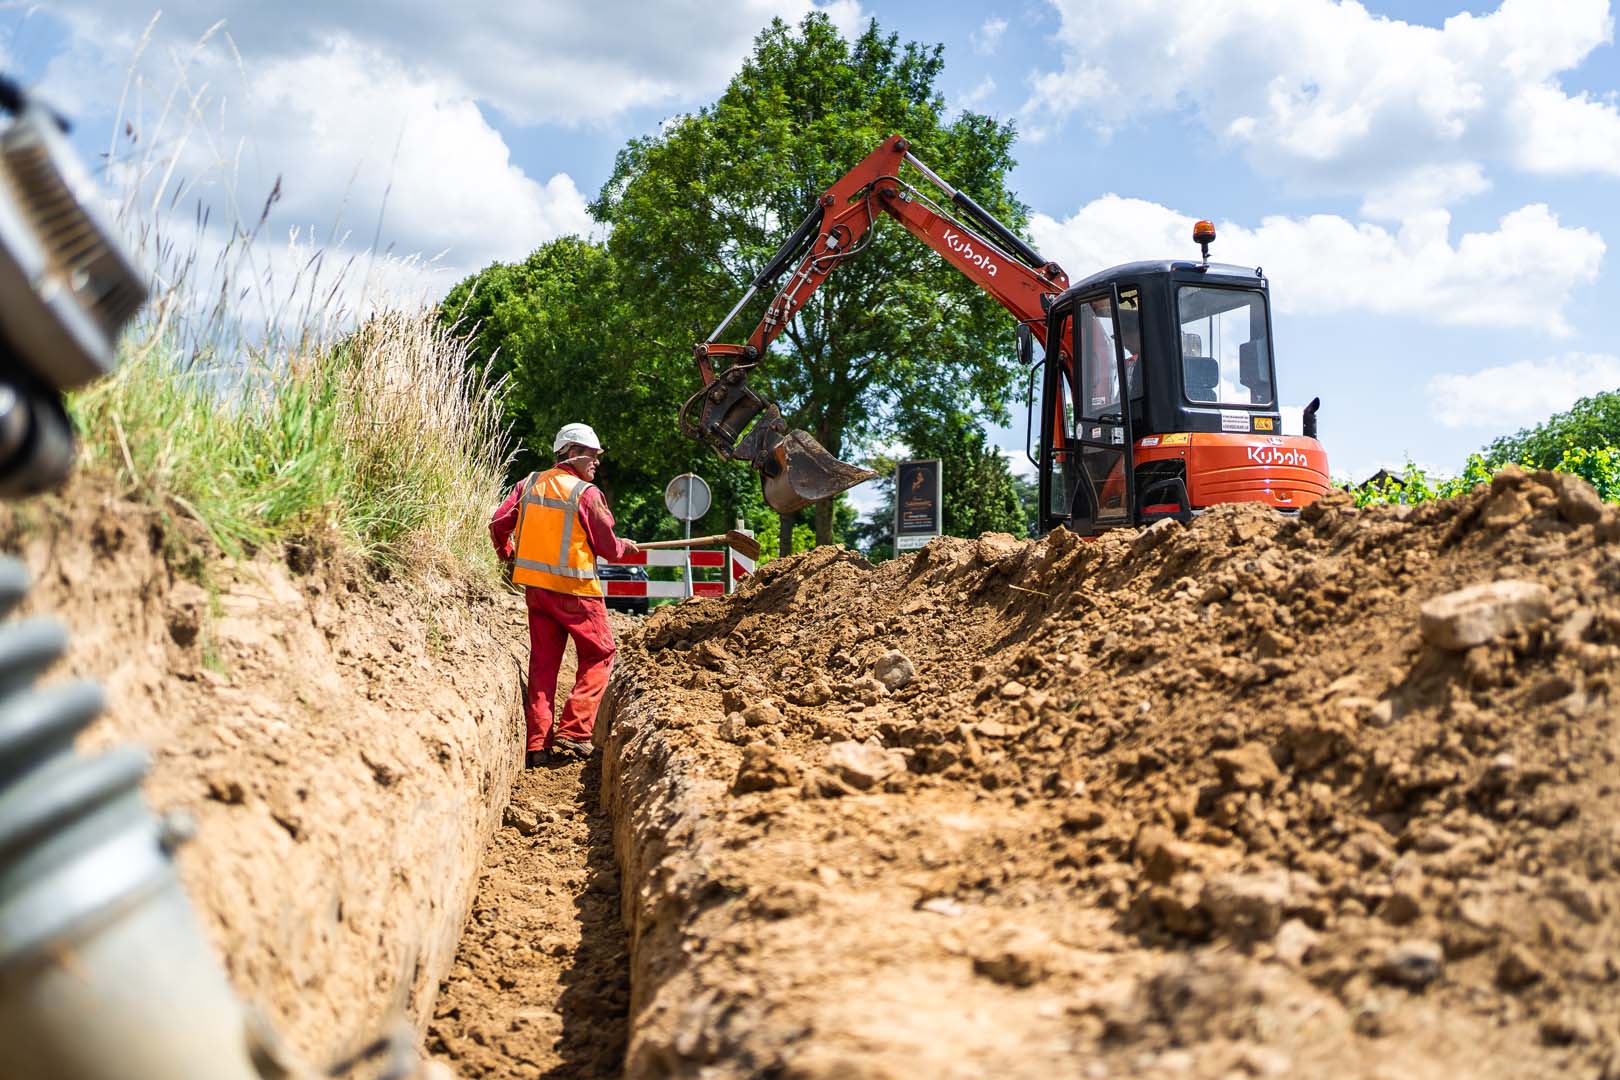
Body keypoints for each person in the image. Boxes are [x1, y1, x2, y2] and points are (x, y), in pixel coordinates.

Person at [489, 422, 640, 767]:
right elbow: (608, 548)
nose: (597, 461)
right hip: (576, 593)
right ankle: (574, 730)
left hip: (537, 593)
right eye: (592, 454)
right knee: (601, 654)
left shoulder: (528, 484)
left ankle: (537, 746)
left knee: (543, 667)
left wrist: (506, 552)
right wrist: (622, 547)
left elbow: (498, 523)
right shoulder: (586, 494)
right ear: (572, 453)